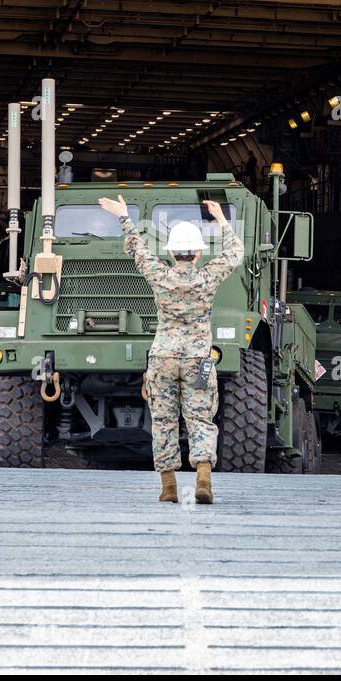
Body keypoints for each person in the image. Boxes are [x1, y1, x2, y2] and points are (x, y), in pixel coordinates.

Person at [98, 194, 243, 503]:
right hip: (199, 360)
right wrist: (220, 219)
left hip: (163, 358)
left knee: (164, 421)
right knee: (201, 418)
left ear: (173, 252)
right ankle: (203, 479)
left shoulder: (160, 276)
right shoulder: (208, 277)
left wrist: (125, 217)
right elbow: (235, 252)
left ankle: (168, 487)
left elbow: (138, 250)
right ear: (197, 254)